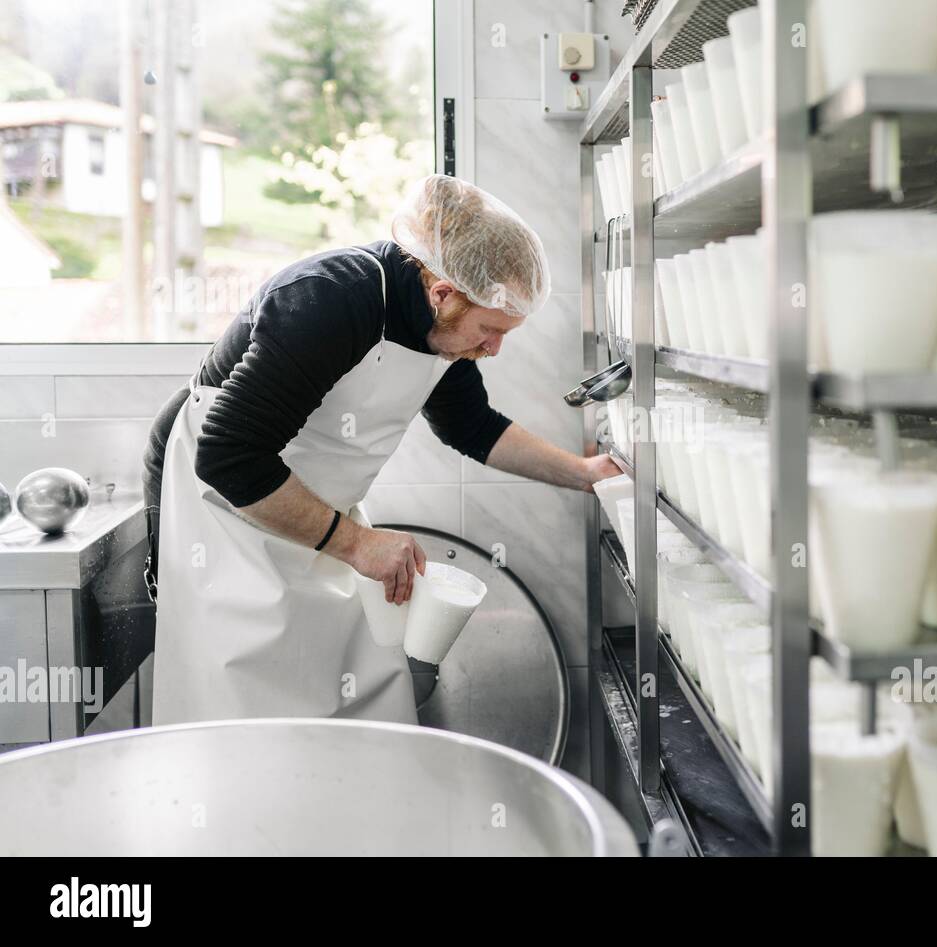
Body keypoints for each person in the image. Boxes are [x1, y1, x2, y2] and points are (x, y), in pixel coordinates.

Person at [142, 174, 619, 725]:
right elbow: (230, 456)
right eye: (490, 330)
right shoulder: (328, 298)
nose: (494, 348)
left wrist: (585, 473)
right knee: (245, 698)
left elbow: (473, 427)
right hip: (224, 516)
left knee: (347, 682)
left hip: (311, 513)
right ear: (442, 293)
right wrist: (357, 545)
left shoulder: (440, 326)